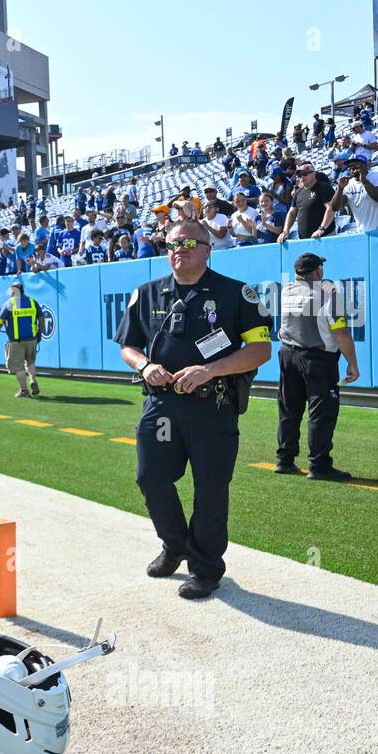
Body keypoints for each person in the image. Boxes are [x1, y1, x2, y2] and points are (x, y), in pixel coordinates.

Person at [114, 219, 272, 599]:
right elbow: (128, 346)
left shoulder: (236, 294)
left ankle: (205, 568)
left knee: (211, 488)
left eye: (187, 242)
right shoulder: (147, 294)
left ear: (207, 248)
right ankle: (174, 544)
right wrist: (144, 366)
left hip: (212, 406)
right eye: (170, 244)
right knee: (150, 476)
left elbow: (260, 350)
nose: (177, 250)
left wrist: (209, 370)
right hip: (162, 404)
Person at [275, 253, 359, 481]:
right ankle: (319, 465)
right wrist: (352, 364)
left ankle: (285, 459)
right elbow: (340, 332)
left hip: (287, 355)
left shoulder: (286, 291)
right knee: (321, 413)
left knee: (289, 409)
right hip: (317, 360)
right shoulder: (328, 295)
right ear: (318, 271)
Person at [0, 278, 43, 398]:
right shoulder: (33, 302)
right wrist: (39, 333)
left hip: (16, 342)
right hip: (32, 339)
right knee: (31, 362)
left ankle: (24, 390)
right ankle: (33, 380)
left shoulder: (9, 304)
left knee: (18, 367)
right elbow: (41, 318)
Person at [324, 155, 378, 235]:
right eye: (350, 167)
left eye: (356, 165)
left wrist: (364, 182)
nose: (353, 169)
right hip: (364, 233)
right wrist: (340, 189)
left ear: (365, 166)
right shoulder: (349, 184)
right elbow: (335, 207)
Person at [279, 163, 335, 242]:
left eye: (305, 174)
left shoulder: (324, 188)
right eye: (299, 174)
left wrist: (322, 228)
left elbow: (331, 209)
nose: (301, 177)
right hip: (304, 239)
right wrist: (285, 231)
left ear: (314, 173)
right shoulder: (298, 192)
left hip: (324, 237)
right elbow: (292, 213)